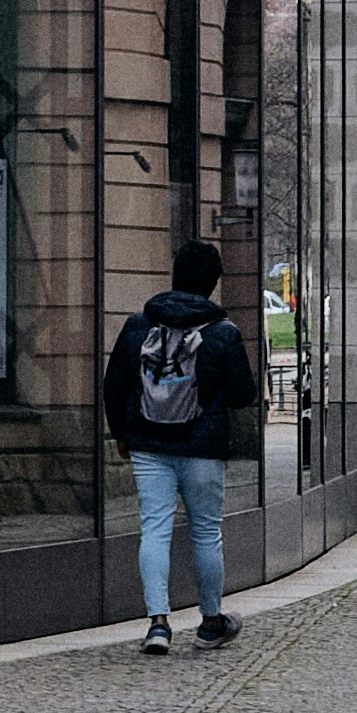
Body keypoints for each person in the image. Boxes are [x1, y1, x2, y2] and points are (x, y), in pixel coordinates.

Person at [104, 233, 263, 654]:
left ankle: (158, 624)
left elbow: (113, 383)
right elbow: (244, 394)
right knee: (206, 532)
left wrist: (122, 433)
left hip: (148, 443)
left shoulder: (140, 325)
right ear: (212, 283)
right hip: (203, 446)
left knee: (153, 528)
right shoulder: (223, 332)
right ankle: (211, 621)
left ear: (174, 277)